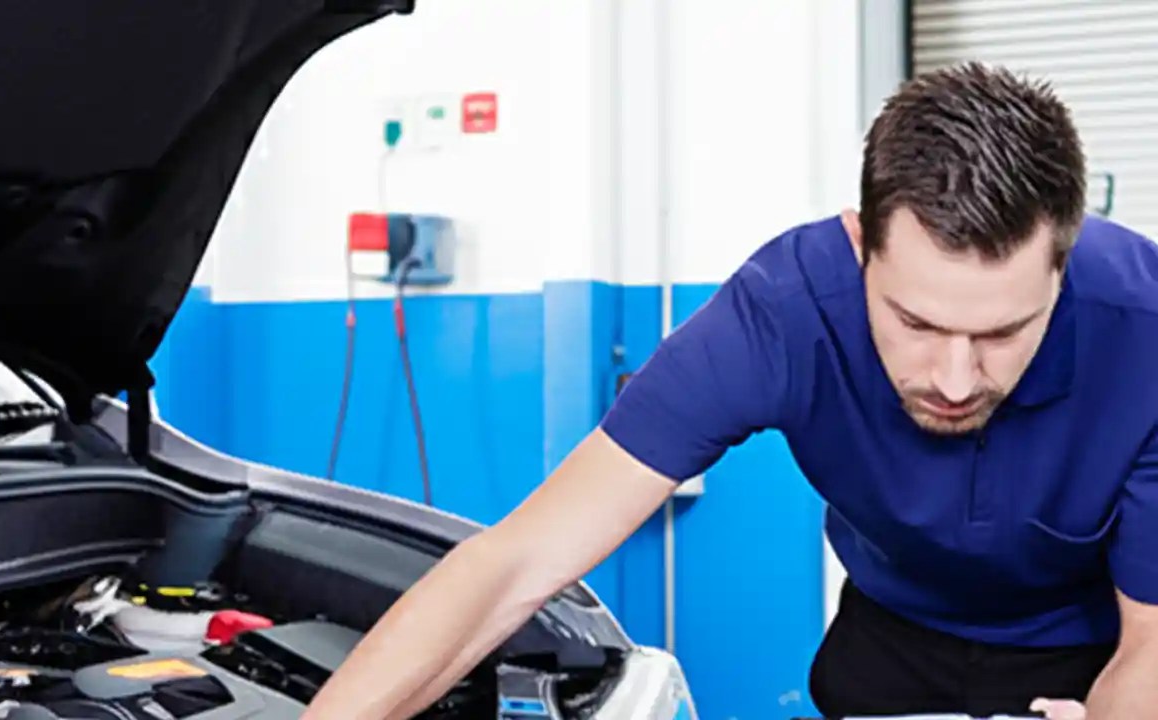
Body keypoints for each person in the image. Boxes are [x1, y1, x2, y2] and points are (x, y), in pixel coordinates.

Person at [300, 62, 1158, 720]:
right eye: (918, 323)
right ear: (859, 245)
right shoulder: (784, 309)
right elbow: (514, 563)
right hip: (889, 641)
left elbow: (1152, 641)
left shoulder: (1145, 328)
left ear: (1065, 262)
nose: (956, 378)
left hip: (1094, 654)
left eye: (1005, 332)